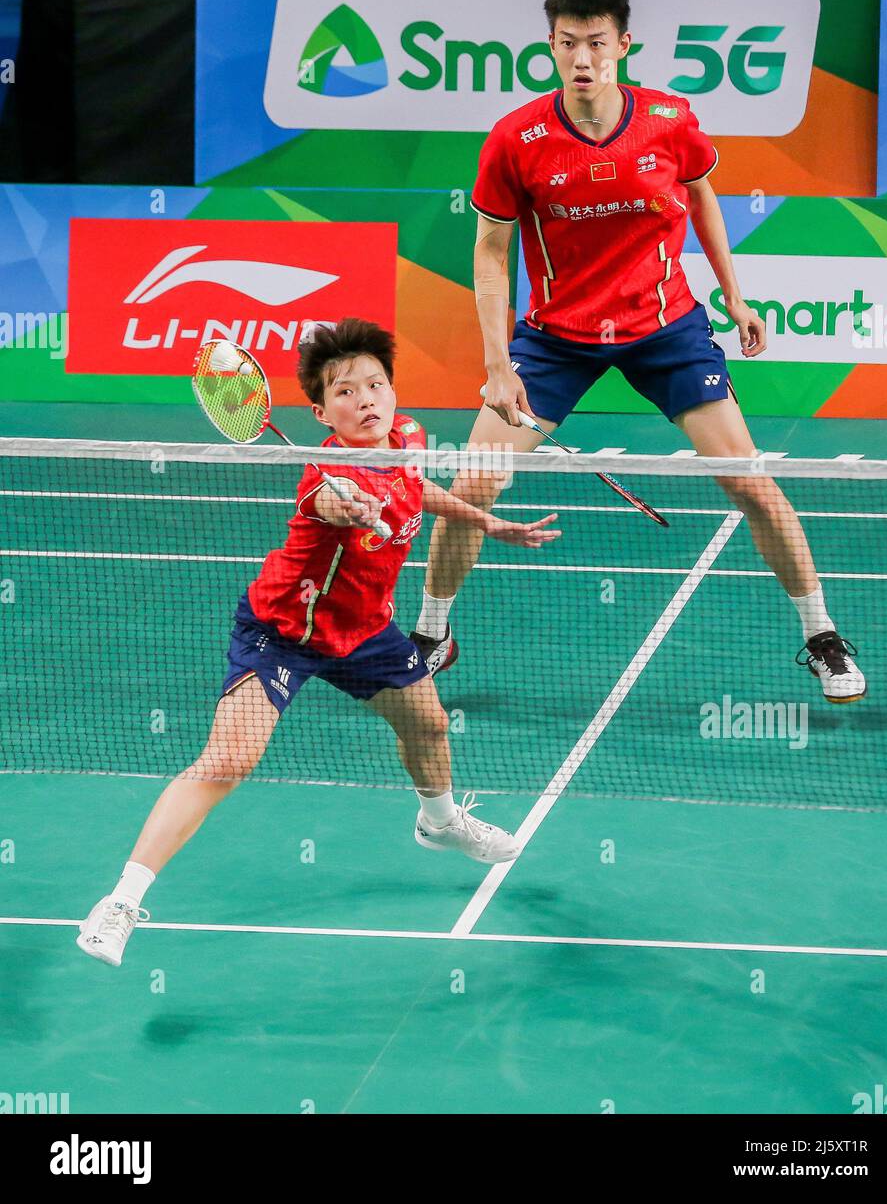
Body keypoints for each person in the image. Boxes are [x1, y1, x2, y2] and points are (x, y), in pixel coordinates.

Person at [411, 0, 865, 705]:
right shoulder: (515, 140)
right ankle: (432, 635)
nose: (582, 58)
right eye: (568, 44)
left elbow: (703, 197)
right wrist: (498, 364)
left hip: (666, 329)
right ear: (550, 46)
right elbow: (490, 253)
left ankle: (821, 636)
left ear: (624, 44)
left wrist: (735, 295)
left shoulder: (669, 120)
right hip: (556, 339)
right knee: (475, 482)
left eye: (596, 43)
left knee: (748, 481)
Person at [78, 319, 560, 967]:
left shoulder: (410, 437)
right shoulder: (323, 478)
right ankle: (120, 902)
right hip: (284, 632)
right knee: (227, 762)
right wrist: (349, 507)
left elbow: (417, 489)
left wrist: (489, 523)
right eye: (345, 391)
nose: (365, 399)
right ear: (320, 410)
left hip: (363, 630)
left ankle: (439, 822)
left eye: (375, 385)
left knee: (430, 727)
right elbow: (333, 506)